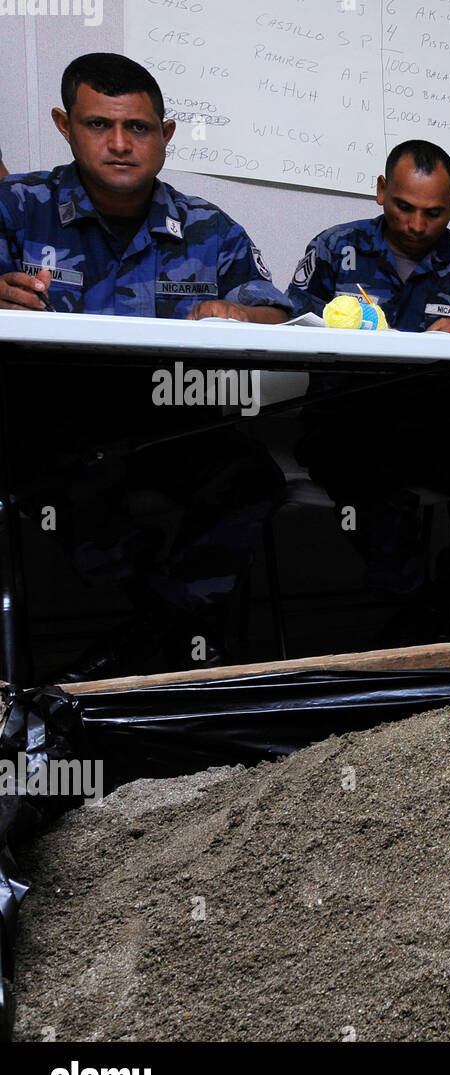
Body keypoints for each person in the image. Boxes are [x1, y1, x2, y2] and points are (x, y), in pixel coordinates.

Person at [0, 53, 291, 681]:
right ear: (64, 125)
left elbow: (278, 312)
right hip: (52, 419)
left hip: (171, 415)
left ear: (167, 134)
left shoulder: (206, 227)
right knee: (67, 487)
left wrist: (240, 316)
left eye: (139, 128)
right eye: (99, 125)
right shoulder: (17, 208)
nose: (120, 144)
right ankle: (172, 630)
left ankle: (135, 641)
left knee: (253, 479)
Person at [287, 139, 450, 643]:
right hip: (345, 420)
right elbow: (287, 324)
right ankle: (410, 619)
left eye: (433, 213)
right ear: (381, 192)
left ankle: (433, 607)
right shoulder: (336, 246)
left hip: (435, 423)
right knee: (383, 506)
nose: (417, 225)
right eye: (404, 207)